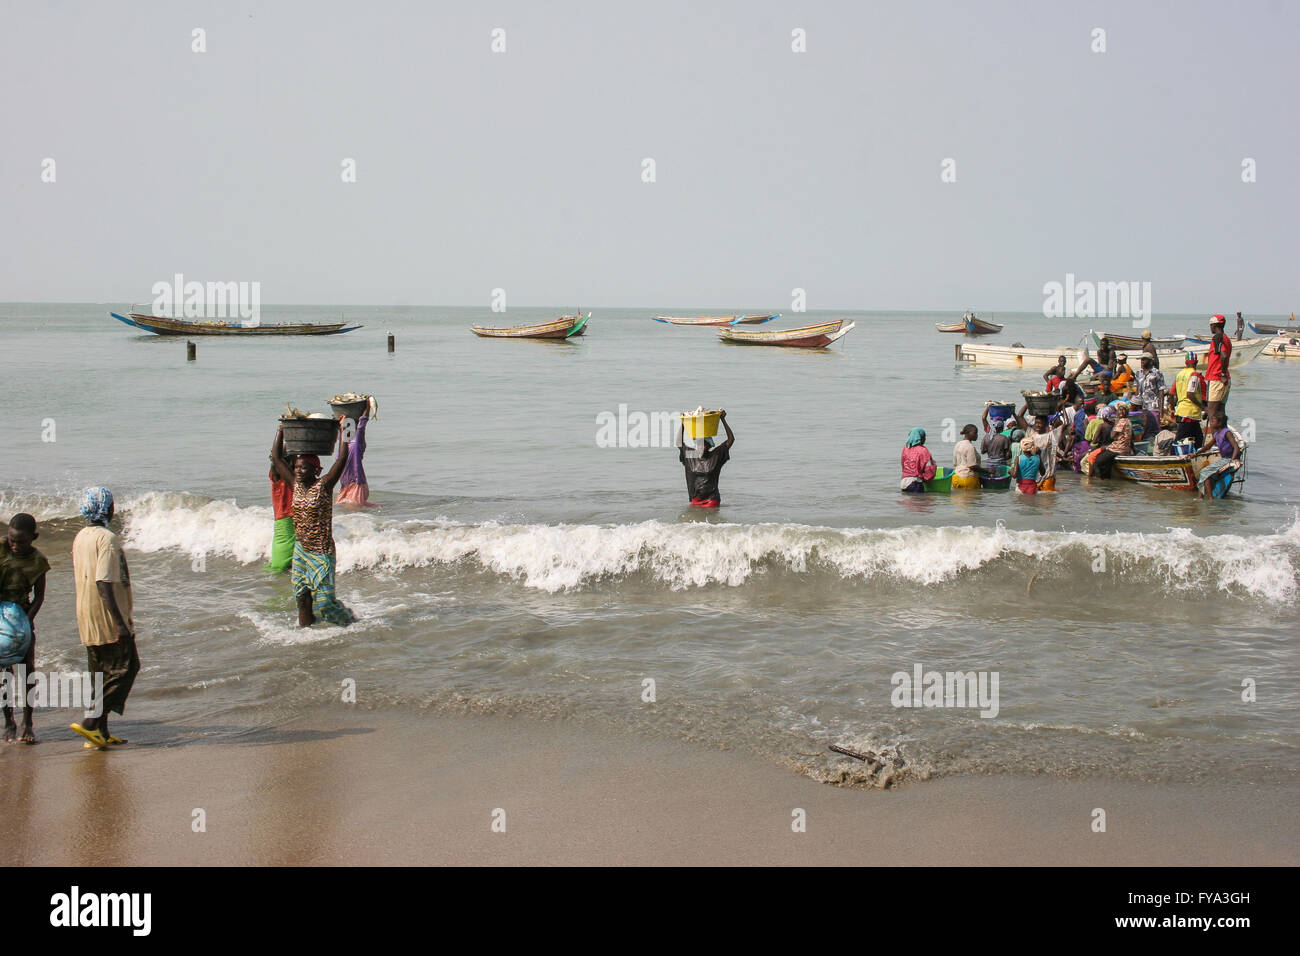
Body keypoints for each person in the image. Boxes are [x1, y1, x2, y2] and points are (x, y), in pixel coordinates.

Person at [69, 488, 139, 750]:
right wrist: (120, 623)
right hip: (107, 615)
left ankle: (100, 731)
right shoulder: (107, 539)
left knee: (100, 675)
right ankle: (91, 722)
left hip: (86, 614)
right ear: (108, 509)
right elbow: (103, 581)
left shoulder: (81, 537)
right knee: (127, 668)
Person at [272, 420, 355, 627]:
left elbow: (342, 459)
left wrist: (345, 432)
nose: (299, 472)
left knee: (326, 604)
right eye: (298, 468)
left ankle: (351, 623)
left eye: (305, 468)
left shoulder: (324, 486)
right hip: (301, 550)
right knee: (302, 597)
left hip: (321, 552)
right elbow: (277, 457)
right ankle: (306, 635)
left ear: (316, 471)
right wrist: (281, 429)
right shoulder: (296, 485)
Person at [1, 514, 49, 745]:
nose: (15, 546)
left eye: (21, 542)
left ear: (34, 538)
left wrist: (27, 622)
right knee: (3, 674)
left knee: (27, 670)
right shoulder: (1, 550)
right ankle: (8, 721)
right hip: (0, 618)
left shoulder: (39, 561)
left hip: (22, 617)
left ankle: (27, 722)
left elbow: (39, 597)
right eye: (12, 540)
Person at [675, 411, 735, 507]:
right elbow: (679, 443)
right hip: (695, 500)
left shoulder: (716, 456)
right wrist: (683, 422)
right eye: (699, 443)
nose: (701, 446)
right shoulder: (690, 456)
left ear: (709, 446)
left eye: (704, 444)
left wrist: (722, 419)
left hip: (711, 500)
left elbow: (731, 439)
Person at [1014, 404, 1066, 492]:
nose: (1037, 425)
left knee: (1047, 501)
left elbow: (1066, 423)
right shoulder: (1031, 433)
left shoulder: (1051, 435)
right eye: (1036, 423)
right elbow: (1020, 416)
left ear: (1046, 425)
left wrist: (1063, 408)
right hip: (1033, 477)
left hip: (1048, 475)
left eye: (1040, 423)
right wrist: (1028, 403)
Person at [337, 400, 378, 507]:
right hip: (344, 482)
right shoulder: (343, 440)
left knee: (354, 510)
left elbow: (362, 426)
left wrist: (367, 407)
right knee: (344, 509)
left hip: (356, 480)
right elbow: (338, 428)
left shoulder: (358, 442)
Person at [1197, 412, 1243, 498]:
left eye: (1213, 421)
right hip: (1224, 459)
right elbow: (1208, 446)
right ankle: (1200, 498)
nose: (1211, 423)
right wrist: (1196, 453)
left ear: (1220, 423)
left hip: (1228, 459)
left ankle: (1210, 498)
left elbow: (1236, 448)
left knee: (1204, 472)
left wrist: (1231, 461)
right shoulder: (1216, 434)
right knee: (1206, 475)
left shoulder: (1226, 432)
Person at [263, 457, 295, 573]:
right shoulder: (277, 477)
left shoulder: (294, 477)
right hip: (284, 519)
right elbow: (276, 462)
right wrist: (276, 457)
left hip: (293, 518)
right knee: (279, 567)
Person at [1169, 351, 1206, 447]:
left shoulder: (1180, 374)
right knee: (1179, 440)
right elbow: (1190, 394)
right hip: (1189, 413)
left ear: (1185, 362)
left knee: (1199, 439)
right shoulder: (1194, 375)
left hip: (1184, 411)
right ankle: (1173, 457)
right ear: (1196, 362)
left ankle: (1195, 457)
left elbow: (1171, 393)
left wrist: (1172, 408)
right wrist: (1203, 407)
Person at [1091, 402, 1134, 479]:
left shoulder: (1122, 421)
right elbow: (1131, 438)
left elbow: (1112, 436)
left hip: (1117, 449)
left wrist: (1116, 423)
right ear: (1117, 412)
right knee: (1107, 464)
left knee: (1097, 462)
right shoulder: (1129, 422)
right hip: (1123, 449)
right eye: (1120, 410)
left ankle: (1098, 481)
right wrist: (1133, 450)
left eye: (1123, 410)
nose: (1121, 412)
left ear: (1126, 412)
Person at [1205, 315, 1232, 421]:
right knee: (1221, 413)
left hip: (1217, 378)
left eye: (1211, 325)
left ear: (1214, 325)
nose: (1210, 328)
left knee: (1213, 414)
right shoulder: (1226, 338)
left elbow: (1224, 355)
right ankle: (1222, 436)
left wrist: (1222, 374)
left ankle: (1215, 437)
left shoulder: (1217, 337)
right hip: (1223, 379)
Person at [900, 427, 937, 493]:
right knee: (919, 502)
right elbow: (928, 468)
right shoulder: (923, 450)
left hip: (903, 482)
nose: (925, 439)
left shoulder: (905, 449)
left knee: (907, 502)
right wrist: (927, 479)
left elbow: (903, 464)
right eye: (924, 437)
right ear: (920, 438)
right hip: (915, 483)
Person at [1134, 354, 1166, 423]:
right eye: (1141, 360)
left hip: (1153, 406)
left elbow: (1161, 391)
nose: (1142, 361)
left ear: (1150, 361)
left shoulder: (1157, 373)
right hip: (1142, 406)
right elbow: (1137, 390)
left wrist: (1161, 410)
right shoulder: (1138, 373)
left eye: (1144, 359)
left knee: (1155, 427)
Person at [980, 406, 1012, 473]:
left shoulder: (987, 436)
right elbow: (1007, 455)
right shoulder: (1004, 438)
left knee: (992, 479)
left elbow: (982, 451)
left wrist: (988, 407)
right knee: (1000, 479)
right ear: (1002, 427)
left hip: (989, 463)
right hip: (1001, 464)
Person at [952, 424, 982, 489]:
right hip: (967, 478)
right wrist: (987, 471)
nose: (977, 435)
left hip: (956, 478)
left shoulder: (958, 444)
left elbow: (955, 463)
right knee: (971, 498)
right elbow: (972, 466)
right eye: (975, 433)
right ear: (968, 433)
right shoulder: (970, 446)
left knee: (958, 498)